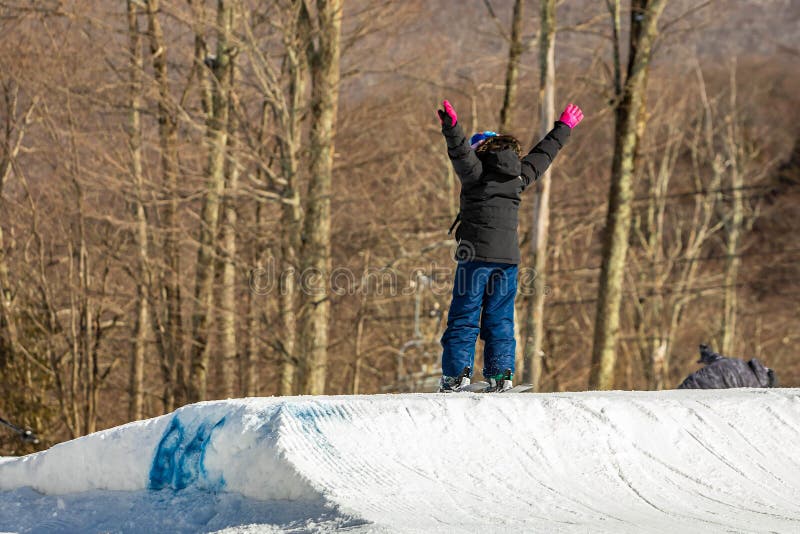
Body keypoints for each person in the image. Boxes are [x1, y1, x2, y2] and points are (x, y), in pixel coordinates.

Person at [436, 99, 583, 392]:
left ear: (480, 151)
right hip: (508, 261)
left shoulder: (475, 173)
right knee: (500, 316)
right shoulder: (517, 175)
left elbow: (459, 151)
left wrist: (452, 127)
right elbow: (544, 154)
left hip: (475, 256)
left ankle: (456, 374)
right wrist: (564, 127)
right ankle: (501, 373)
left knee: (465, 314)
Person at [676, 344, 778, 389]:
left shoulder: (739, 363)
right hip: (699, 393)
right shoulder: (753, 388)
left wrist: (707, 354)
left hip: (690, 381)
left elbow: (718, 358)